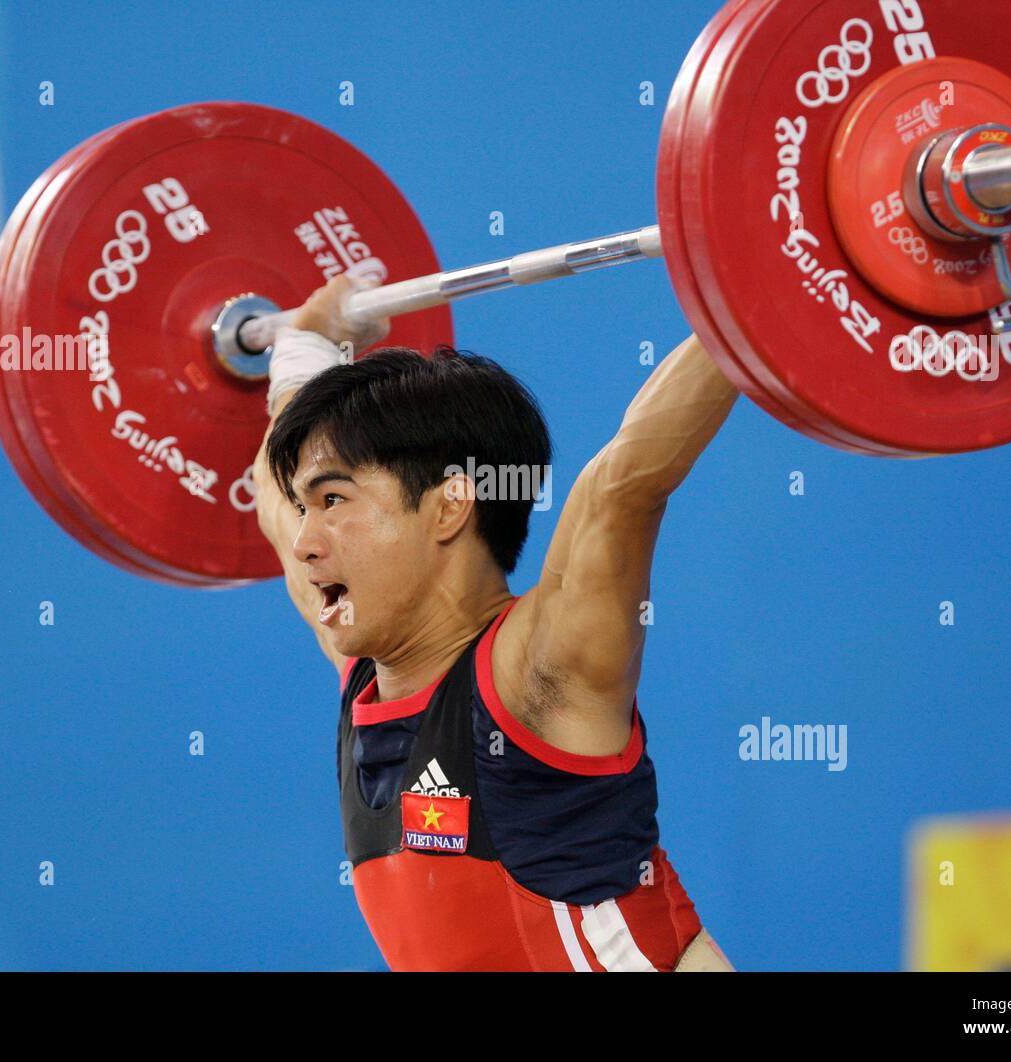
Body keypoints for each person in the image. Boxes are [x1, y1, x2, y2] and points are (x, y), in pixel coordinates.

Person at [251, 266, 740, 971]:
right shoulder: (363, 669)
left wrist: (760, 281)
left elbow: (625, 483)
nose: (304, 541)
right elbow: (273, 494)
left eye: (335, 502)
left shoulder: (539, 672)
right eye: (308, 507)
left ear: (451, 505)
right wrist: (305, 347)